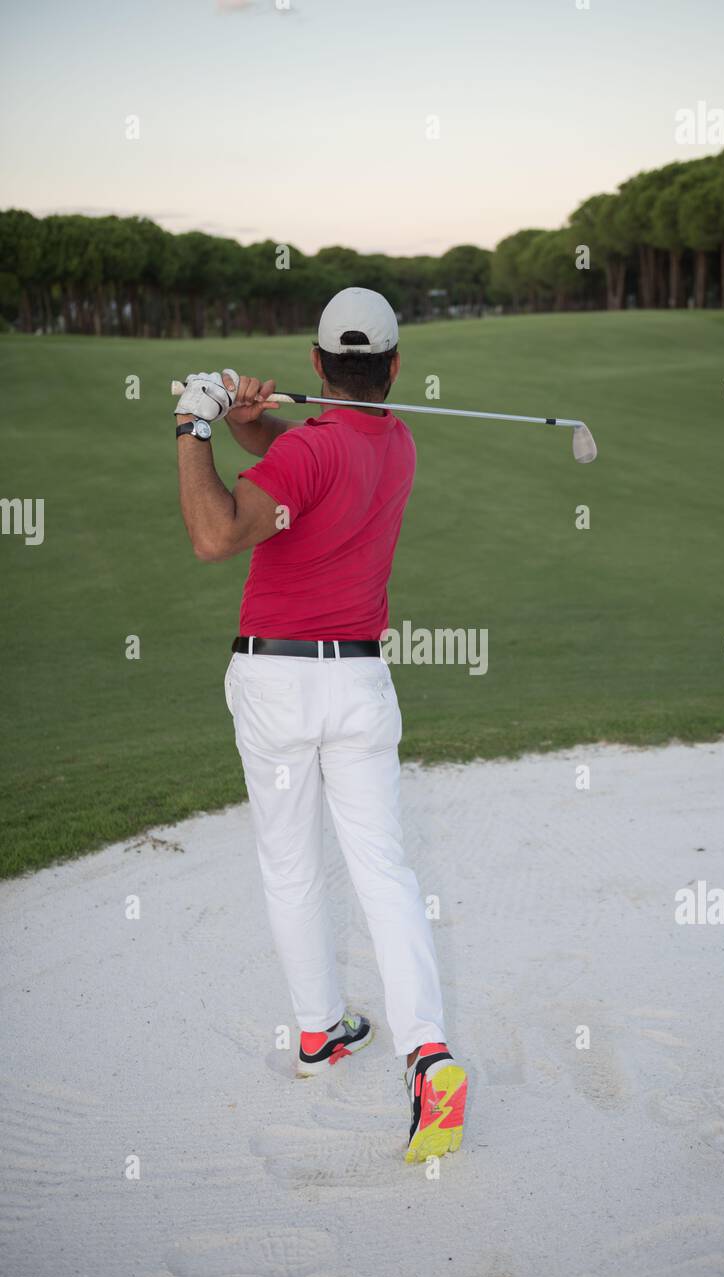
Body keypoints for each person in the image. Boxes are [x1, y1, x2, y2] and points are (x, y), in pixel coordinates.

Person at [173, 287, 466, 1163]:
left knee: (291, 863)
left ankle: (317, 1032)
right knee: (383, 867)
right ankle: (427, 1052)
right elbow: (302, 460)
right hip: (360, 684)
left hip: (274, 683)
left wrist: (195, 426)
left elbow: (216, 535)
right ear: (394, 367)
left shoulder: (309, 456)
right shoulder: (395, 441)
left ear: (315, 362)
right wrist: (247, 423)